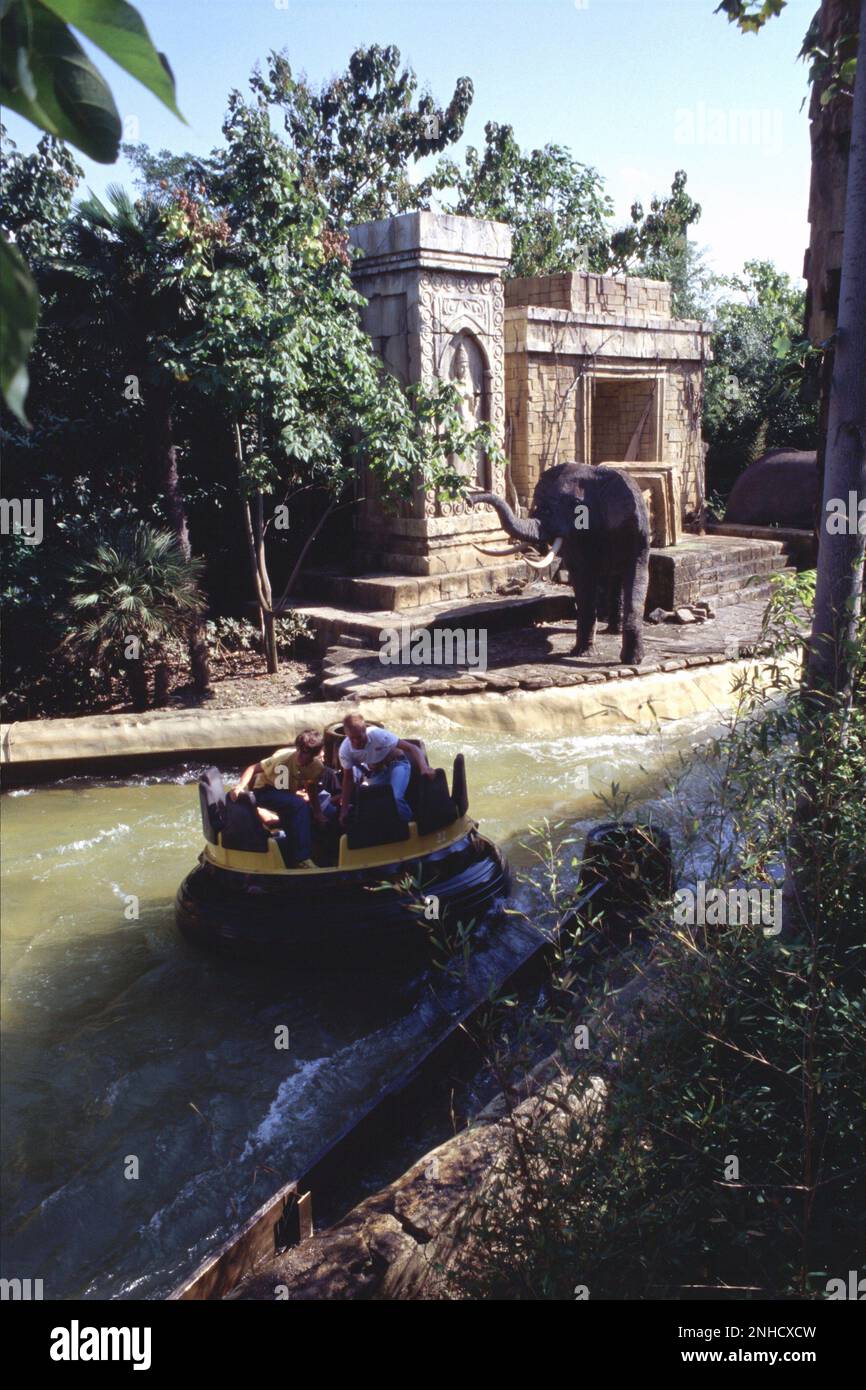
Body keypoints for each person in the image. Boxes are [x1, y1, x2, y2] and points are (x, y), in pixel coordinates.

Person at [231, 729, 329, 866]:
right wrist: (240, 786)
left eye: (305, 753)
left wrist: (318, 812)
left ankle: (295, 853)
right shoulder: (283, 759)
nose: (299, 756)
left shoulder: (317, 767)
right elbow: (253, 768)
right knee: (298, 804)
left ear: (314, 754)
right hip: (264, 791)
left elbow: (310, 787)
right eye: (298, 750)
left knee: (306, 808)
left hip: (285, 793)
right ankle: (303, 858)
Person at [337, 713, 435, 829]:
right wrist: (344, 810)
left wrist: (424, 767)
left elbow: (412, 748)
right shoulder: (344, 750)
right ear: (346, 735)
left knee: (395, 797)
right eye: (351, 738)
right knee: (371, 803)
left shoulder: (378, 734)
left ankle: (410, 827)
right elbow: (347, 779)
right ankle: (388, 830)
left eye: (359, 737)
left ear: (365, 730)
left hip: (397, 764)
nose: (356, 742)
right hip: (376, 773)